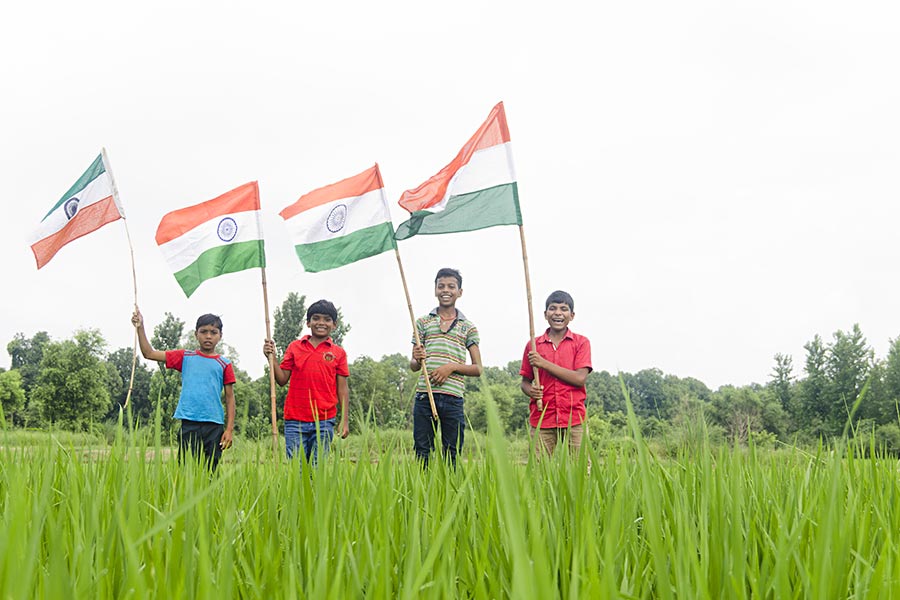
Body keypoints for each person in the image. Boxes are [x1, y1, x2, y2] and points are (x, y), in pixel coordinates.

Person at [132, 309, 236, 471]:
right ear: (196, 334)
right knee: (187, 469)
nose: (208, 336)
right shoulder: (186, 357)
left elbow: (230, 398)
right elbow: (149, 353)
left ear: (220, 336)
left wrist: (229, 430)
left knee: (211, 470)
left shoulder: (224, 364)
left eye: (213, 332)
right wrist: (140, 327)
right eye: (204, 332)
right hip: (189, 422)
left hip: (214, 425)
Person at [263, 299, 349, 464]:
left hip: (324, 420)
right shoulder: (295, 347)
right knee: (297, 469)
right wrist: (271, 358)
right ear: (308, 322)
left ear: (334, 324)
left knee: (318, 470)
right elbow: (281, 379)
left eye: (327, 319)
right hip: (295, 420)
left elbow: (343, 389)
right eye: (316, 318)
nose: (321, 323)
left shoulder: (338, 353)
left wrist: (344, 421)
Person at [410, 267, 482, 466]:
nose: (446, 290)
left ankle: (450, 493)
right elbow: (414, 365)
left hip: (453, 398)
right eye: (441, 286)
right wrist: (416, 357)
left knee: (452, 452)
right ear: (435, 290)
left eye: (451, 286)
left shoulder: (467, 327)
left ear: (460, 292)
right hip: (426, 395)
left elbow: (478, 368)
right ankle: (423, 492)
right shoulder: (423, 323)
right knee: (422, 450)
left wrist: (450, 367)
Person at [520, 290, 592, 458]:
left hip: (574, 418)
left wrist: (543, 363)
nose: (558, 313)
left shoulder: (581, 342)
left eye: (564, 309)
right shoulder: (533, 345)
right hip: (542, 417)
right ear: (545, 314)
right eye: (552, 308)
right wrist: (531, 390)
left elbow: (580, 379)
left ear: (572, 315)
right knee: (539, 471)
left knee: (581, 471)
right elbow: (525, 382)